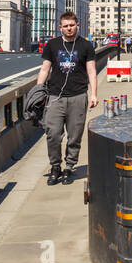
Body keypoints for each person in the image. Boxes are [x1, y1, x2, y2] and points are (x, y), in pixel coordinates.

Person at [37, 10, 99, 186]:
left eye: (72, 25)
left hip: (78, 96)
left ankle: (69, 166)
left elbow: (92, 71)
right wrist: (38, 91)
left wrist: (94, 94)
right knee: (53, 134)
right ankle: (55, 166)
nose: (69, 28)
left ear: (77, 25)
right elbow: (44, 69)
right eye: (65, 26)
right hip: (55, 97)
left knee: (74, 136)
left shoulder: (86, 46)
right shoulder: (52, 45)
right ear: (60, 27)